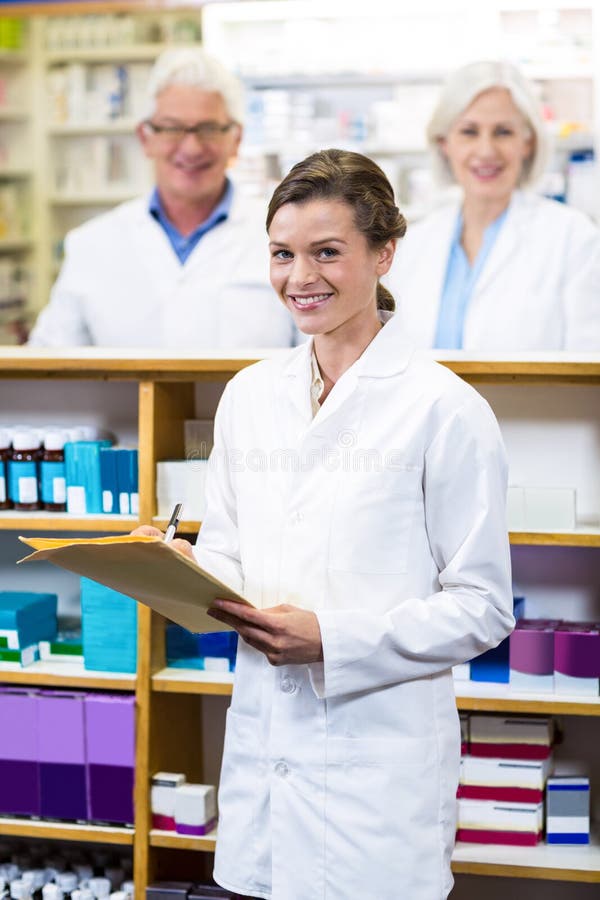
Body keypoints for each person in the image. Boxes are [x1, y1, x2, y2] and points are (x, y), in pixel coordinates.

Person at [135, 149, 514, 899]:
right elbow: (233, 562)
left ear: (384, 253)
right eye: (282, 254)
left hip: (377, 783)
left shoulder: (444, 409)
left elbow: (483, 606)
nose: (299, 277)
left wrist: (332, 641)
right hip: (266, 765)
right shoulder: (250, 397)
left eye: (327, 253)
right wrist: (175, 568)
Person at [28, 48, 296, 349]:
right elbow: (47, 367)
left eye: (208, 129)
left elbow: (322, 358)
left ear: (235, 140)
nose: (191, 148)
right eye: (172, 128)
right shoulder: (90, 245)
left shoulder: (287, 239)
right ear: (145, 138)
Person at [386, 60, 600, 351]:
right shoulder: (413, 245)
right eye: (469, 132)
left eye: (503, 132)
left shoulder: (574, 239)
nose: (486, 151)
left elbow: (588, 369)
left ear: (528, 144)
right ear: (444, 143)